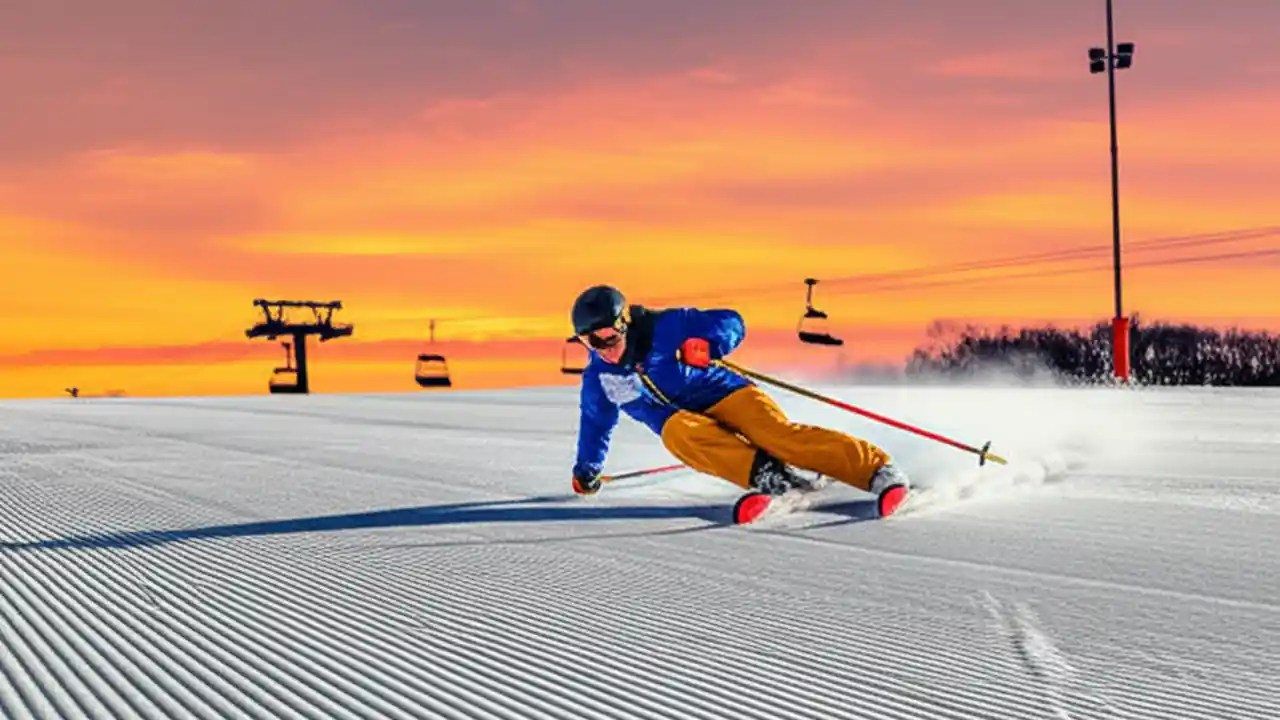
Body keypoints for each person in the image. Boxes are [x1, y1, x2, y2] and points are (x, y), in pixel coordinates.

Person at [567, 284, 910, 523]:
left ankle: (877, 470)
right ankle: (770, 478)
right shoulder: (601, 377)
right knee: (676, 433)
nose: (601, 348)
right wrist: (587, 470)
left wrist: (707, 344)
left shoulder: (668, 326)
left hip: (727, 394)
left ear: (624, 323)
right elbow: (596, 422)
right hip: (687, 422)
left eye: (607, 336)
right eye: (589, 340)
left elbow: (732, 322)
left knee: (776, 436)